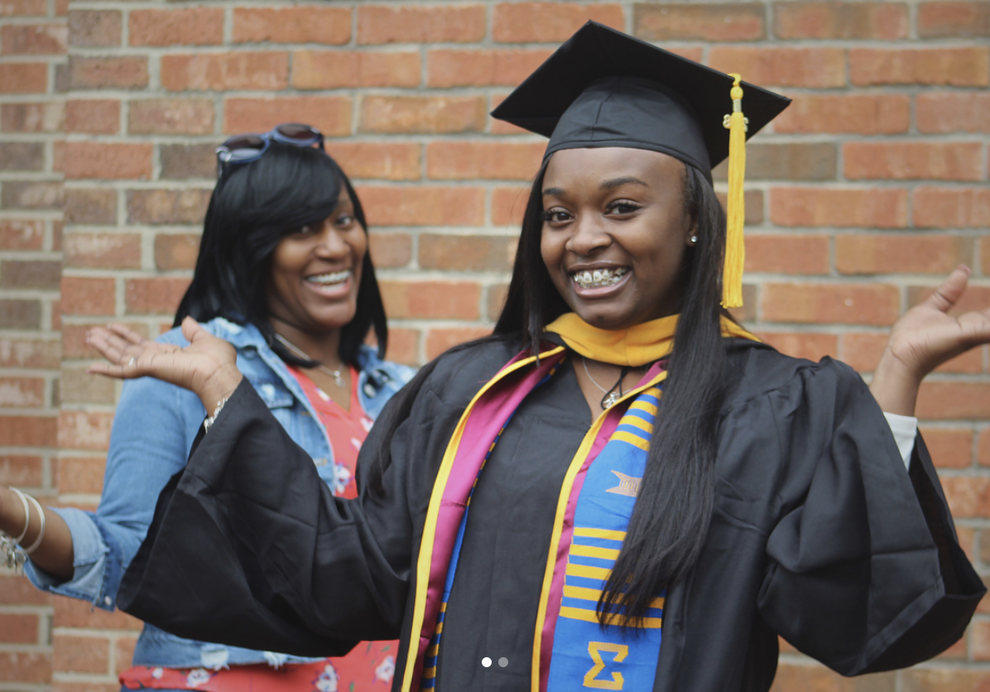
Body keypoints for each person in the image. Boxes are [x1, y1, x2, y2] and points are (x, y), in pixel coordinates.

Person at [77, 23, 989, 692]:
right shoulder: (472, 392)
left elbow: (857, 612)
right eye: (559, 214)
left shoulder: (771, 404)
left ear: (695, 223)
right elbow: (346, 577)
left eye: (622, 207)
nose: (583, 238)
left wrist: (896, 381)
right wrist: (226, 389)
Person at [0, 125, 413, 691]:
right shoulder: (186, 367)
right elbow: (128, 555)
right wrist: (14, 512)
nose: (335, 246)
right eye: (300, 229)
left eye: (343, 220)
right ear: (251, 246)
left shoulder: (405, 393)